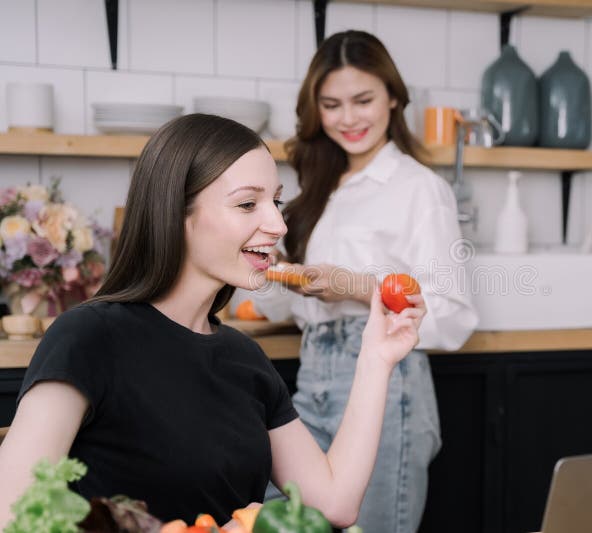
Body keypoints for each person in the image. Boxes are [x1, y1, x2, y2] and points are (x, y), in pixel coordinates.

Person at [0, 113, 427, 529]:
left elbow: (335, 503)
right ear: (176, 215)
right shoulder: (87, 338)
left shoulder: (246, 360)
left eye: (275, 202)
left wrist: (377, 358)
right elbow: (12, 514)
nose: (277, 224)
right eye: (247, 204)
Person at [236, 30, 478, 532]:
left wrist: (355, 286)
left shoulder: (418, 189)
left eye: (363, 100)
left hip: (387, 386)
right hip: (314, 376)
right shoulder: (318, 190)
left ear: (393, 96)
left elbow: (452, 317)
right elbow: (289, 308)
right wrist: (275, 271)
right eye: (331, 104)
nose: (348, 118)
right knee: (271, 519)